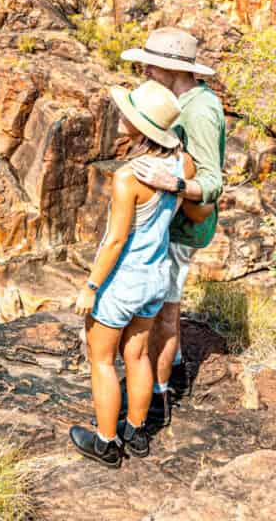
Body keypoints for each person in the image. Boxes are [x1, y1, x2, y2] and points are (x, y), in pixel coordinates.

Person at [70, 80, 209, 467]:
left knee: (101, 359)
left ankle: (105, 443)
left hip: (123, 280)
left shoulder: (130, 176)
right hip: (156, 277)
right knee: (137, 355)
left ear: (140, 127)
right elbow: (196, 202)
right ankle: (136, 431)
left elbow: (115, 241)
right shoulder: (182, 164)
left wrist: (91, 286)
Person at [120, 28, 226, 427]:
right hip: (173, 222)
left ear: (172, 68)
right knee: (166, 304)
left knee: (164, 312)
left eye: (151, 64)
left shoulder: (200, 110)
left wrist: (174, 184)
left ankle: (156, 403)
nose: (145, 69)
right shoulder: (181, 99)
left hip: (183, 227)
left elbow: (213, 182)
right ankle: (174, 368)